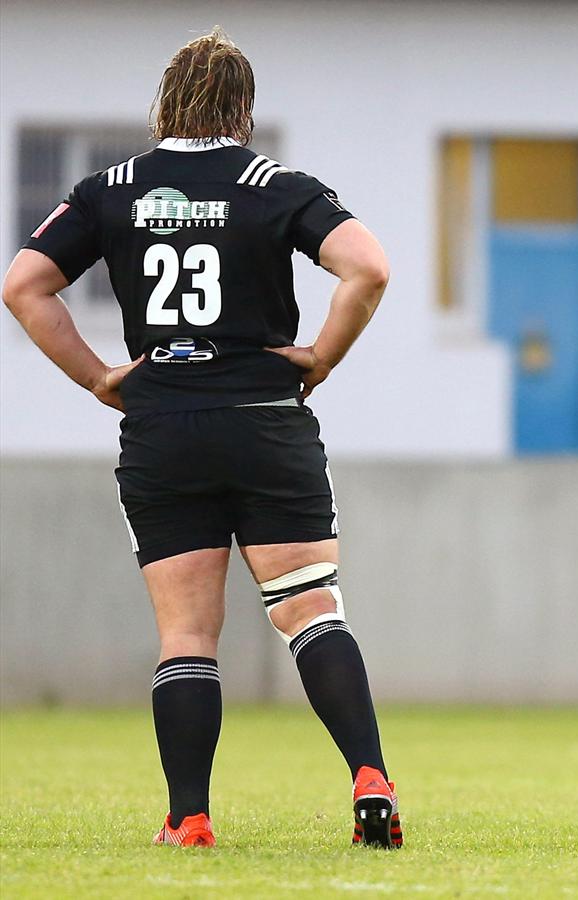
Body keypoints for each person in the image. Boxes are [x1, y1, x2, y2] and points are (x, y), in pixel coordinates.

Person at [1, 29, 401, 849]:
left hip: (163, 426)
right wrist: (320, 356)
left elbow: (23, 285)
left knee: (187, 636)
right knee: (310, 610)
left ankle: (188, 818)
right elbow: (369, 267)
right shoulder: (271, 182)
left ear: (165, 105)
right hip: (264, 421)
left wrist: (98, 377)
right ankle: (369, 775)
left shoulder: (110, 187)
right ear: (244, 109)